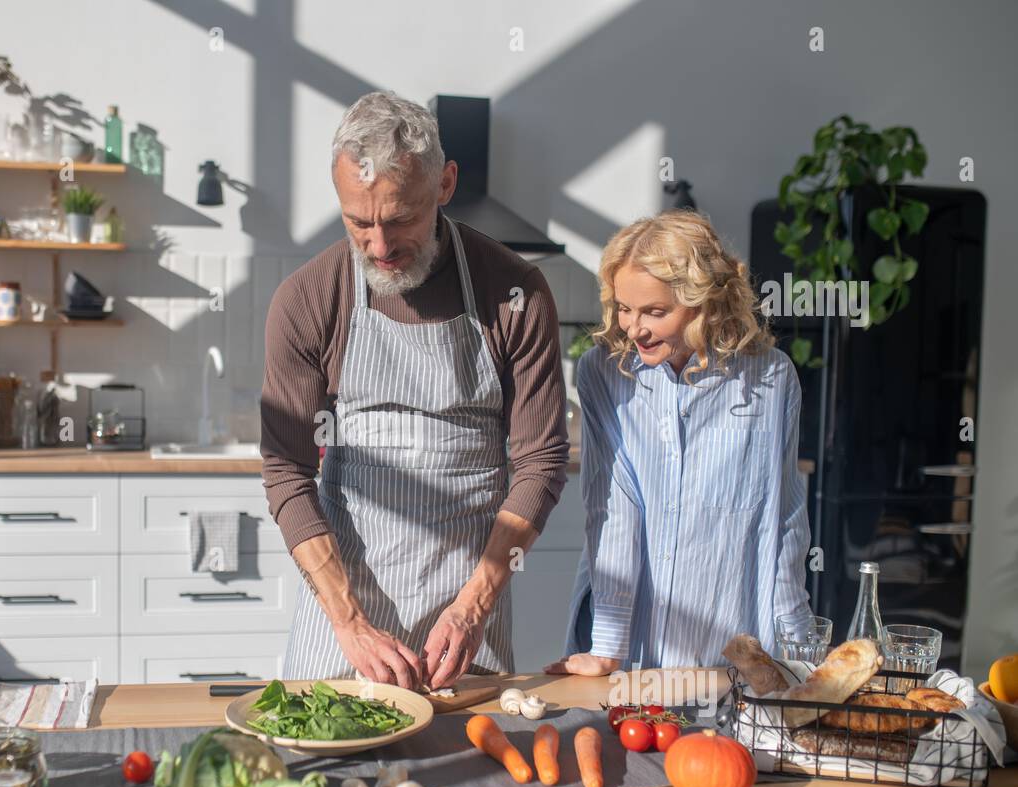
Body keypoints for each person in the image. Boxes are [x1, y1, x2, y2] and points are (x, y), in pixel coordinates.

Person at [261, 91, 568, 689]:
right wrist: (349, 622)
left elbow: (541, 463)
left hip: (468, 611)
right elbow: (286, 473)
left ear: (445, 183)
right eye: (358, 221)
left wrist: (474, 605)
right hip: (343, 617)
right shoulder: (308, 299)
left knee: (469, 775)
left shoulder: (515, 293)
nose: (378, 246)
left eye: (400, 218)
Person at [548, 209, 811, 676]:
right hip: (632, 636)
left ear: (705, 302)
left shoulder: (770, 378)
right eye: (625, 308)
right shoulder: (604, 374)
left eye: (655, 311)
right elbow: (613, 506)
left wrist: (795, 641)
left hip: (729, 634)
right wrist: (608, 644)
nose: (633, 328)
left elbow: (784, 513)